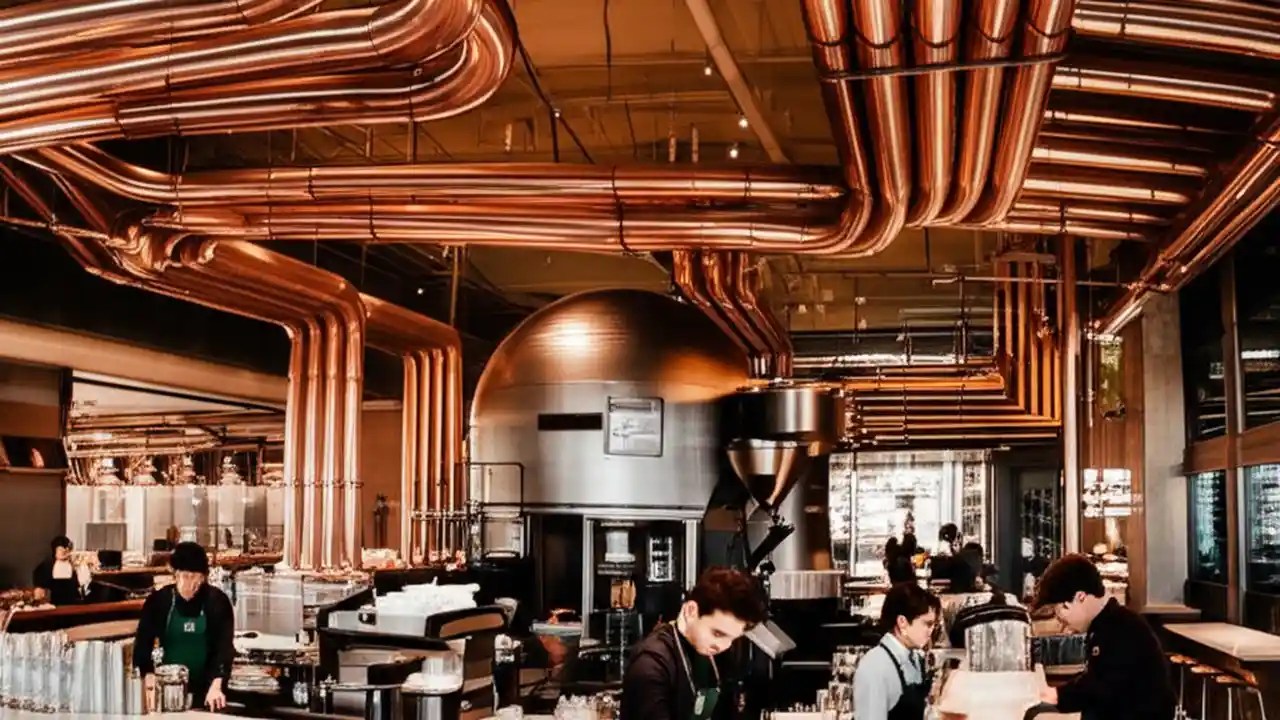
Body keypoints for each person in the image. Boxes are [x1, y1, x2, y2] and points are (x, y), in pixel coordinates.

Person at [1032, 554, 1175, 720]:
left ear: (1080, 597)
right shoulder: (1106, 625)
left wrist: (1057, 695)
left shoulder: (1122, 628)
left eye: (1062, 610)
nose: (1061, 622)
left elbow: (1102, 687)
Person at [622, 567, 767, 720]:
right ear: (691, 611)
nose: (723, 645)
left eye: (732, 638)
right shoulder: (651, 664)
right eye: (717, 633)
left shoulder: (718, 656)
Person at [132, 542, 236, 712]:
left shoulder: (217, 602)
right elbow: (143, 646)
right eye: (186, 576)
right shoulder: (158, 602)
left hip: (207, 692)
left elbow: (223, 650)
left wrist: (217, 686)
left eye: (196, 578)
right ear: (175, 574)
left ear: (203, 578)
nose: (190, 583)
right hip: (166, 691)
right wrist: (149, 682)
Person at [853, 582, 941, 720]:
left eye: (934, 625)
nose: (931, 631)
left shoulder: (916, 659)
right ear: (902, 622)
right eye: (927, 624)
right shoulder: (875, 667)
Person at [32, 536, 83, 606]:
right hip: (52, 604)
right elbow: (40, 588)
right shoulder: (46, 566)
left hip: (73, 604)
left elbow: (79, 586)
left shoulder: (74, 565)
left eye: (66, 549)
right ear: (54, 550)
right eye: (60, 549)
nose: (64, 551)